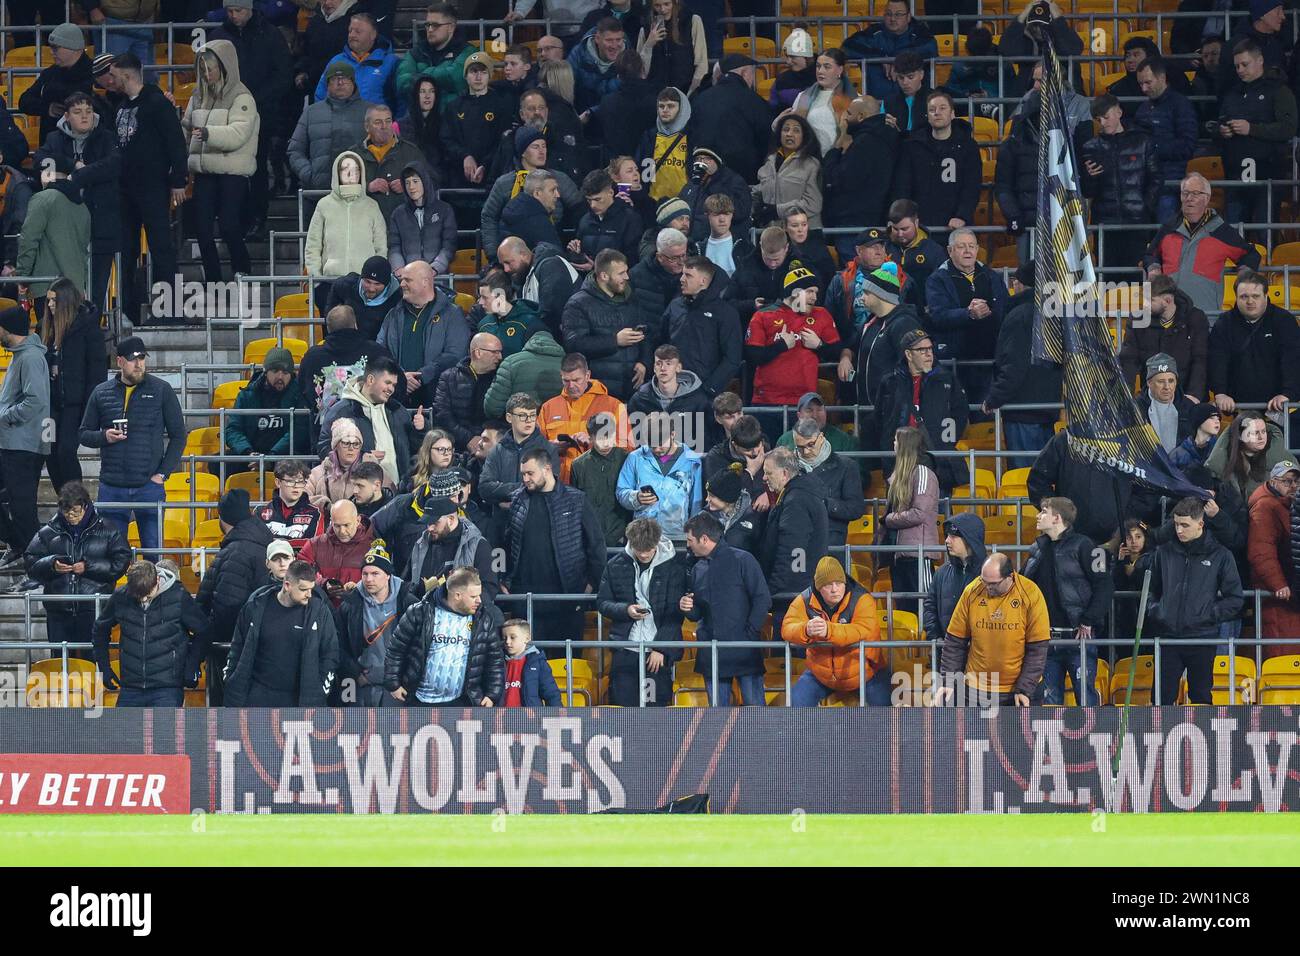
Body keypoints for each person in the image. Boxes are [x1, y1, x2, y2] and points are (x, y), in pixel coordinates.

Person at [79, 337, 185, 554]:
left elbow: (179, 436)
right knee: (110, 555)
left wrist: (162, 474)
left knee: (154, 553)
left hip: (149, 485)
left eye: (142, 358)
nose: (139, 364)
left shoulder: (162, 390)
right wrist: (104, 437)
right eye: (132, 359)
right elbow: (83, 434)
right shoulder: (101, 392)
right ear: (119, 362)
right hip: (112, 486)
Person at [109, 52, 188, 324]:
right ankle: (129, 311)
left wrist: (179, 180)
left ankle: (171, 311)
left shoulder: (156, 103)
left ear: (127, 75)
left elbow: (176, 142)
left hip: (153, 187)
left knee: (161, 249)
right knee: (127, 251)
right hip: (124, 190)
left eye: (114, 75)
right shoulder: (119, 106)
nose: (111, 80)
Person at [1139, 497, 1244, 704]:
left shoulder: (1220, 555)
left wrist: (1207, 615)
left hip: (1202, 638)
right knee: (1160, 698)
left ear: (1200, 524)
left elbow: (1235, 599)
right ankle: (1159, 736)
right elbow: (1151, 592)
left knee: (1201, 697)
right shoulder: (1163, 553)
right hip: (1167, 637)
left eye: (1185, 525)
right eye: (1176, 524)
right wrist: (1158, 611)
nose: (1179, 530)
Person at [506, 447, 606, 658]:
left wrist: (589, 587)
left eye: (530, 473)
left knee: (566, 665)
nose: (525, 479)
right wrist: (503, 581)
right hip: (526, 601)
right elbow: (504, 543)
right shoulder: (517, 501)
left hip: (567, 600)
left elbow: (596, 546)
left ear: (547, 469)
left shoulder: (576, 500)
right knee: (529, 668)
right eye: (523, 474)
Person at [1022, 497, 1114, 707]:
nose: (1038, 515)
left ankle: (1090, 739)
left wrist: (1088, 620)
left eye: (1043, 511)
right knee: (1049, 702)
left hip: (1077, 638)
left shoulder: (1086, 545)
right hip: (1045, 639)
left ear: (1057, 518)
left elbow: (1105, 585)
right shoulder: (1037, 549)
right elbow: (1023, 586)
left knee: (1085, 699)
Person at [33, 91, 120, 310]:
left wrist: (76, 177)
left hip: (101, 222)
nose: (84, 116)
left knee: (97, 285)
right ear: (67, 116)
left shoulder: (106, 137)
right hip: (64, 226)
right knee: (66, 285)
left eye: (89, 112)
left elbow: (112, 167)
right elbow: (41, 163)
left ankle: (94, 321)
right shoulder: (54, 139)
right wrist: (72, 165)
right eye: (77, 112)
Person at [24, 481, 129, 659]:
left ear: (85, 506)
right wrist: (52, 564)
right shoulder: (49, 532)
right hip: (59, 609)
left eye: (75, 511)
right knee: (61, 663)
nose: (70, 516)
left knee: (93, 660)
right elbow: (30, 561)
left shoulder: (108, 530)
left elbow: (122, 562)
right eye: (66, 512)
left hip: (93, 608)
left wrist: (89, 567)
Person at [184, 39, 260, 283]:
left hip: (232, 173)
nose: (206, 75)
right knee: (203, 230)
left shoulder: (242, 97)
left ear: (225, 67)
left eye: (211, 69)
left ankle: (242, 268)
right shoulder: (197, 96)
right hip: (205, 172)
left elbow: (239, 133)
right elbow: (186, 129)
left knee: (229, 225)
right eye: (202, 69)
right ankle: (214, 279)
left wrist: (208, 133)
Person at [681, 511, 772, 706]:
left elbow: (762, 599)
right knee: (718, 720)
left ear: (704, 539)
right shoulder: (698, 569)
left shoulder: (744, 560)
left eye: (690, 540)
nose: (688, 545)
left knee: (757, 716)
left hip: (745, 651)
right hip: (712, 653)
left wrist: (749, 634)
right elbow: (698, 613)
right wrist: (688, 608)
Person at [936, 552, 1049, 707]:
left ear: (1010, 576)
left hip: (1017, 690)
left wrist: (1024, 689)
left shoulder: (1031, 594)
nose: (987, 587)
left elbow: (1037, 649)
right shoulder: (972, 591)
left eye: (993, 584)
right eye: (984, 581)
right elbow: (955, 642)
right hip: (976, 688)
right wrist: (948, 681)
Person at [223, 558, 341, 707]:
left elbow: (330, 653)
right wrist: (231, 680)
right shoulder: (256, 607)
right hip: (257, 699)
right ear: (287, 585)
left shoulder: (319, 612)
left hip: (301, 702)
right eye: (303, 589)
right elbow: (237, 647)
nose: (309, 595)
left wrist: (319, 692)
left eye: (311, 589)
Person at [1142, 173, 1260, 318]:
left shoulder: (1221, 231)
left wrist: (1244, 276)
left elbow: (1250, 254)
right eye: (1185, 193)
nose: (1189, 198)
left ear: (1207, 198)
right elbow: (1150, 254)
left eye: (1196, 194)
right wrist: (1154, 269)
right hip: (1169, 316)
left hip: (1206, 317)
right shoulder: (1168, 228)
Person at [597, 515, 686, 706]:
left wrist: (660, 648)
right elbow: (603, 602)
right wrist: (626, 610)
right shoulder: (615, 565)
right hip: (625, 647)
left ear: (656, 543)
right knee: (622, 706)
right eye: (639, 550)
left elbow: (675, 614)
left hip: (657, 651)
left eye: (649, 549)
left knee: (654, 707)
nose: (644, 554)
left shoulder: (674, 568)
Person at [93, 560, 208, 706]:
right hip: (130, 686)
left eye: (147, 595)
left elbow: (203, 631)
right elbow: (100, 630)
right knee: (123, 729)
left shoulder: (178, 597)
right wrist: (104, 668)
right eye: (138, 597)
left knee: (163, 729)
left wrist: (192, 666)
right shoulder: (121, 596)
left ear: (158, 580)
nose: (143, 600)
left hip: (167, 687)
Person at [744, 265, 840, 440]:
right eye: (810, 291)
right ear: (795, 292)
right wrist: (780, 346)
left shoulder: (821, 315)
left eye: (816, 292)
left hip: (804, 405)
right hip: (767, 403)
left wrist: (819, 345)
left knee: (806, 457)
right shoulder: (764, 315)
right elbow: (752, 356)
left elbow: (836, 351)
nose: (815, 297)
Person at [983, 263, 1062, 468]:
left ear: (1018, 284)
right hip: (1047, 406)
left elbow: (1014, 364)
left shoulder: (1020, 316)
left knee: (1025, 477)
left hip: (1022, 409)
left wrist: (994, 397)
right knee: (1044, 474)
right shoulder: (1053, 315)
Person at [781, 555, 885, 706]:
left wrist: (828, 631)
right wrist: (806, 629)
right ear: (818, 587)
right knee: (795, 703)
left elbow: (863, 630)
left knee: (887, 710)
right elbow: (787, 628)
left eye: (838, 583)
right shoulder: (805, 599)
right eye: (828, 585)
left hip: (865, 672)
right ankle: (804, 730)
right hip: (820, 674)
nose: (835, 589)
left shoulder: (862, 598)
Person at [923, 228, 1008, 403]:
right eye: (962, 246)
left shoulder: (991, 276)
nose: (968, 251)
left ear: (977, 249)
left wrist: (989, 313)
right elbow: (938, 316)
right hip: (954, 361)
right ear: (950, 250)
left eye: (972, 246)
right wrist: (968, 314)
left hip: (988, 359)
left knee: (984, 416)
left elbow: (1005, 310)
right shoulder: (937, 279)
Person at [1082, 92, 1161, 272]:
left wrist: (1145, 206)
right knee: (1108, 280)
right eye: (1098, 119)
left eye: (1106, 117)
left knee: (1136, 280)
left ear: (1119, 112)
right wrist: (1090, 178)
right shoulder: (1091, 147)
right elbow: (1088, 191)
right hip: (1105, 223)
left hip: (1137, 221)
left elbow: (1156, 178)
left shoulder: (1142, 141)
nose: (1103, 123)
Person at [36, 281, 103, 493]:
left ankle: (77, 505)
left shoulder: (88, 329)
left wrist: (92, 409)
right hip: (50, 406)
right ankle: (65, 503)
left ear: (66, 301)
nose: (50, 304)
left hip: (76, 406)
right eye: (48, 300)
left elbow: (97, 372)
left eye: (54, 300)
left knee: (66, 452)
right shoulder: (43, 328)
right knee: (50, 452)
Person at [377, 260, 470, 407]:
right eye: (401, 280)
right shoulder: (394, 314)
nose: (401, 284)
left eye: (407, 280)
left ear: (425, 282)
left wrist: (422, 376)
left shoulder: (452, 314)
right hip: (397, 396)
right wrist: (401, 378)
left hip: (438, 398)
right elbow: (381, 350)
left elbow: (455, 354)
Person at [1206, 268, 1300, 414]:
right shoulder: (1224, 323)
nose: (1250, 301)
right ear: (1236, 297)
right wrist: (1220, 392)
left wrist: (1288, 394)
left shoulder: (1284, 321)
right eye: (1244, 297)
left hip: (1279, 407)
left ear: (1266, 295)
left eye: (1256, 296)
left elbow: (1293, 361)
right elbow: (1217, 360)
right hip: (1238, 408)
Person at [336, 540, 418, 705]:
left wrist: (406, 677)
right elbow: (337, 644)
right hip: (358, 683)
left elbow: (419, 645)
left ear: (388, 575)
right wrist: (354, 673)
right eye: (365, 574)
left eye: (375, 573)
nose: (368, 579)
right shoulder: (350, 604)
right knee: (355, 728)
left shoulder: (408, 602)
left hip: (397, 685)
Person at [561, 249, 646, 402]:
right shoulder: (578, 304)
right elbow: (574, 344)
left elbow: (647, 334)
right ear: (604, 276)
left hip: (632, 392)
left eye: (626, 271)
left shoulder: (632, 299)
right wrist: (615, 341)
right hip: (598, 393)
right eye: (621, 273)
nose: (627, 277)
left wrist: (644, 362)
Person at [299, 302, 401, 429]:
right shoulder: (376, 352)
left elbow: (303, 392)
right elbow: (397, 387)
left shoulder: (312, 357)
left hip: (325, 435)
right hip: (370, 433)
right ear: (355, 325)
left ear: (328, 328)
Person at [761, 445, 828, 632]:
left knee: (789, 655)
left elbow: (793, 552)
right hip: (797, 592)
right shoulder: (798, 495)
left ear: (784, 473)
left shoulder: (796, 501)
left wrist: (775, 589)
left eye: (768, 473)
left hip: (792, 597)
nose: (764, 478)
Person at [893, 91, 982, 232]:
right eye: (932, 110)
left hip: (956, 225)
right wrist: (905, 217)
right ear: (927, 116)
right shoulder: (912, 146)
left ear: (952, 114)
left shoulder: (968, 147)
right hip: (920, 225)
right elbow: (903, 186)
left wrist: (962, 216)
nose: (937, 113)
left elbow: (971, 186)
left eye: (942, 108)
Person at [1028, 430, 1132, 547]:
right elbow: (1037, 481)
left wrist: (1127, 521)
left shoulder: (1130, 444)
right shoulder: (1064, 440)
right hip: (1068, 537)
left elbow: (1148, 489)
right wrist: (1056, 514)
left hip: (1117, 538)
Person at [821, 99, 896, 262]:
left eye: (849, 113)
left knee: (855, 277)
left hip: (854, 223)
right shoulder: (889, 137)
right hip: (878, 218)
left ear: (861, 116)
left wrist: (838, 143)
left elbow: (837, 178)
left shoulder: (865, 143)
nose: (844, 118)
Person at [1117, 273, 1209, 402]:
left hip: (1187, 396)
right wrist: (1125, 398)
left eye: (1150, 300)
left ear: (1167, 301)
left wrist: (1194, 395)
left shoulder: (1195, 318)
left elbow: (1200, 360)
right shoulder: (1138, 319)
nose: (1144, 304)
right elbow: (1128, 361)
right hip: (1151, 397)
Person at [539, 352, 629, 482]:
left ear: (587, 376)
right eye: (566, 381)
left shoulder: (613, 406)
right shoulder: (548, 407)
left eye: (576, 380)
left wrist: (594, 442)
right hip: (559, 485)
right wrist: (551, 448)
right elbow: (535, 447)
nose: (571, 386)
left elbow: (626, 449)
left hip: (598, 483)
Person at [305, 150, 387, 289]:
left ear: (361, 173)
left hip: (364, 284)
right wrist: (317, 280)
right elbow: (313, 246)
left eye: (355, 169)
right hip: (329, 282)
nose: (350, 174)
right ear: (337, 173)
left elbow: (381, 247)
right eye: (345, 169)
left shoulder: (371, 206)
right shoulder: (324, 205)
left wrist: (375, 278)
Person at [1131, 57, 1199, 225]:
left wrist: (1151, 147)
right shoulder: (1143, 108)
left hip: (1169, 184)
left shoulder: (1181, 105)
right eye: (1140, 84)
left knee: (1167, 237)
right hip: (1145, 185)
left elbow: (1187, 146)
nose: (1143, 88)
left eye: (1148, 82)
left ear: (1162, 78)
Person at [878, 425, 939, 614]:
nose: (893, 443)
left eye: (896, 440)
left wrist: (889, 519)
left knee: (926, 606)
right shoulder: (899, 477)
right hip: (899, 555)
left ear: (904, 445)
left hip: (918, 553)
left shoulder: (922, 472)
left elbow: (919, 513)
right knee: (905, 610)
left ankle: (932, 643)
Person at [406, 477, 498, 600]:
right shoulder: (420, 545)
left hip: (462, 616)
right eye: (428, 523)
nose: (430, 528)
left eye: (435, 522)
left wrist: (459, 606)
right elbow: (407, 583)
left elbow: (488, 589)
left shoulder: (477, 545)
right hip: (425, 615)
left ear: (450, 519)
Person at [479, 392, 556, 538]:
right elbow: (484, 488)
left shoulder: (548, 451)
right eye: (522, 415)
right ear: (509, 417)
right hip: (501, 530)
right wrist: (523, 489)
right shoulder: (497, 450)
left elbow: (549, 488)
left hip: (536, 530)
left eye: (532, 415)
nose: (528, 420)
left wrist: (507, 498)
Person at [287, 60, 373, 191]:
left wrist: (370, 179)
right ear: (327, 85)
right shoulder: (311, 112)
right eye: (334, 79)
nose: (340, 82)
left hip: (361, 191)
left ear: (353, 82)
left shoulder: (370, 111)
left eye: (344, 78)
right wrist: (309, 175)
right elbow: (295, 150)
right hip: (319, 192)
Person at [616, 410, 702, 538]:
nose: (656, 450)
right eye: (652, 445)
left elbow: (696, 502)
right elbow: (621, 492)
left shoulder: (692, 461)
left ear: (673, 434)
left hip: (678, 535)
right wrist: (636, 498)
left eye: (661, 444)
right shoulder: (635, 458)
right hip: (643, 535)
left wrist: (694, 534)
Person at [14, 158, 91, 300]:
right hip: (75, 287)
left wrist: (22, 277)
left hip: (46, 286)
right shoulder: (82, 207)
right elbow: (84, 250)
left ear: (47, 174)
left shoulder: (42, 199)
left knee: (47, 323)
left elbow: (28, 239)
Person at [688, 53, 770, 183]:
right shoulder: (755, 102)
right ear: (744, 73)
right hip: (743, 178)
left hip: (704, 176)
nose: (753, 80)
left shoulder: (700, 98)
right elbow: (766, 141)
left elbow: (691, 135)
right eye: (752, 75)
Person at [665, 256, 740, 397]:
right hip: (673, 390)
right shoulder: (675, 306)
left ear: (703, 281)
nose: (681, 279)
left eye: (688, 275)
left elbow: (732, 358)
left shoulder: (725, 313)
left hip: (706, 395)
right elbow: (662, 343)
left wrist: (708, 390)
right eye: (682, 274)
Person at [1249, 461, 1300, 659]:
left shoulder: (1288, 505)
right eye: (1288, 481)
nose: (1293, 486)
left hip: (1291, 592)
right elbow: (1261, 551)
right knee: (1281, 656)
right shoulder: (1265, 507)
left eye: (1296, 481)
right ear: (1273, 482)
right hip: (1277, 596)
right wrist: (1278, 584)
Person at [788, 417, 863, 551]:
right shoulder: (788, 467)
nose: (805, 452)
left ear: (821, 437)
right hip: (795, 543)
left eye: (810, 444)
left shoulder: (846, 467)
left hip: (830, 544)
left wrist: (824, 503)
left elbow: (855, 509)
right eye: (800, 447)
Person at [226, 347, 311, 462]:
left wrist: (272, 456)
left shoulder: (299, 396)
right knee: (217, 464)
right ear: (266, 372)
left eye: (285, 372)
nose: (280, 377)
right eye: (275, 371)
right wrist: (248, 452)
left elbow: (299, 432)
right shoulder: (247, 395)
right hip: (251, 454)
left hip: (284, 455)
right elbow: (233, 430)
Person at [841, 0, 937, 100]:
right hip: (877, 104)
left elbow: (930, 48)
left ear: (908, 17)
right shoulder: (873, 33)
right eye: (888, 14)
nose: (892, 19)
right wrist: (879, 57)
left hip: (914, 103)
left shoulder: (920, 33)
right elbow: (847, 47)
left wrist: (898, 60)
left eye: (898, 14)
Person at [18, 22, 96, 144]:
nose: (51, 52)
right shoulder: (50, 73)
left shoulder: (95, 73)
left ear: (73, 47)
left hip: (87, 146)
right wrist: (47, 108)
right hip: (51, 147)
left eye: (56, 48)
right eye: (50, 47)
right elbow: (24, 101)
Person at [627, 345, 713, 451]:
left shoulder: (698, 400)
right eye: (659, 364)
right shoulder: (640, 399)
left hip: (686, 460)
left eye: (668, 363)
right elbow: (635, 438)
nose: (663, 368)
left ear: (678, 368)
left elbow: (705, 439)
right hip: (651, 459)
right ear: (654, 368)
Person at [313, 11, 400, 112]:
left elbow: (401, 101)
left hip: (376, 125)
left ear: (373, 35)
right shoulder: (336, 61)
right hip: (340, 124)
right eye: (350, 31)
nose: (352, 35)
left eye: (358, 31)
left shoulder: (390, 62)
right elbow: (320, 95)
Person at [395, 2, 474, 109]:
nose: (430, 29)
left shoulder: (467, 51)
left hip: (455, 118)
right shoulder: (415, 52)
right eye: (428, 25)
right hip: (420, 119)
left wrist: (421, 76)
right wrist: (437, 79)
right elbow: (401, 83)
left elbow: (455, 79)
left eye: (436, 25)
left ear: (451, 27)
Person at [571, 411, 633, 547]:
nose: (606, 443)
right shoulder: (578, 465)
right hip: (590, 537)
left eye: (609, 436)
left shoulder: (627, 459)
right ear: (591, 438)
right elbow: (576, 504)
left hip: (622, 536)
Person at [923, 513, 986, 645]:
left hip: (980, 655)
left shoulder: (990, 574)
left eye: (953, 536)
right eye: (947, 535)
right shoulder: (941, 573)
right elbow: (930, 607)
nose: (946, 540)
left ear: (970, 539)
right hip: (947, 652)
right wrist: (935, 637)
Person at [497, 235, 579, 334]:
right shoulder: (525, 275)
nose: (506, 269)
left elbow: (552, 316)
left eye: (508, 262)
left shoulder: (551, 266)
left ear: (523, 254)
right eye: (503, 265)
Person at [754, 112, 822, 232]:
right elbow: (760, 190)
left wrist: (777, 210)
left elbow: (813, 203)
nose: (789, 134)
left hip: (803, 235)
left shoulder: (811, 165)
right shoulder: (769, 161)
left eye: (796, 130)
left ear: (804, 136)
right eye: (786, 129)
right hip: (773, 235)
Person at [386, 161, 457, 274]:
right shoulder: (398, 214)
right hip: (408, 276)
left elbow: (449, 245)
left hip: (438, 275)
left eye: (415, 181)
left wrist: (435, 268)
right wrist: (399, 269)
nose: (411, 187)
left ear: (425, 181)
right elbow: (394, 247)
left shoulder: (444, 210)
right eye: (407, 183)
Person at [300, 499, 375, 606]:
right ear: (331, 521)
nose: (342, 531)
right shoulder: (314, 544)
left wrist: (360, 588)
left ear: (358, 520)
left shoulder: (373, 548)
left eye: (346, 525)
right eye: (337, 526)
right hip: (322, 609)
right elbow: (299, 572)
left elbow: (383, 582)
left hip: (360, 610)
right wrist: (323, 583)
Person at [482, 326, 565, 418]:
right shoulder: (567, 365)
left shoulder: (510, 362)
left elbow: (493, 407)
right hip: (556, 426)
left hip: (517, 427)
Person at [1207, 410, 1289, 502]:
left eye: (1264, 431)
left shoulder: (1279, 456)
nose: (1261, 437)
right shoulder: (1225, 460)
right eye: (1255, 433)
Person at [470, 269, 547, 359]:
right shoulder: (484, 325)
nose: (480, 302)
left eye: (485, 298)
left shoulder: (530, 324)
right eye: (480, 297)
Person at [571, 168, 643, 263]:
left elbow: (632, 259)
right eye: (589, 200)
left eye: (597, 199)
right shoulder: (585, 220)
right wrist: (576, 253)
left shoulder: (630, 219)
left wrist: (596, 268)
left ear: (611, 192)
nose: (593, 205)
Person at [635, 0, 707, 95]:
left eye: (666, 4)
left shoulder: (692, 21)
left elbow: (701, 62)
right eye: (657, 5)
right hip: (655, 91)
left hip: (685, 88)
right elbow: (641, 70)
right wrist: (649, 45)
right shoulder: (645, 27)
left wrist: (692, 91)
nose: (662, 9)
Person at [635, 86, 691, 204]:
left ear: (682, 109)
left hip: (684, 205)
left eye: (671, 106)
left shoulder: (692, 137)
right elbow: (643, 170)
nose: (665, 110)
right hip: (653, 203)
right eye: (661, 106)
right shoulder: (649, 136)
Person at [628, 227, 687, 340]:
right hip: (648, 341)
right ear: (660, 257)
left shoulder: (691, 273)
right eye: (674, 258)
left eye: (683, 255)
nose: (681, 262)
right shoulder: (636, 276)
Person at [885, 199, 944, 308]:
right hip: (889, 312)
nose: (900, 234)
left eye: (905, 229)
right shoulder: (882, 247)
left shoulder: (934, 251)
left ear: (916, 223)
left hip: (922, 312)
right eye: (895, 229)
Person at [1136, 353, 1196, 454]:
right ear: (1149, 383)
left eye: (1171, 381)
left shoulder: (1190, 408)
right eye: (1161, 381)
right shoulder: (1135, 408)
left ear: (1176, 382)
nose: (1167, 387)